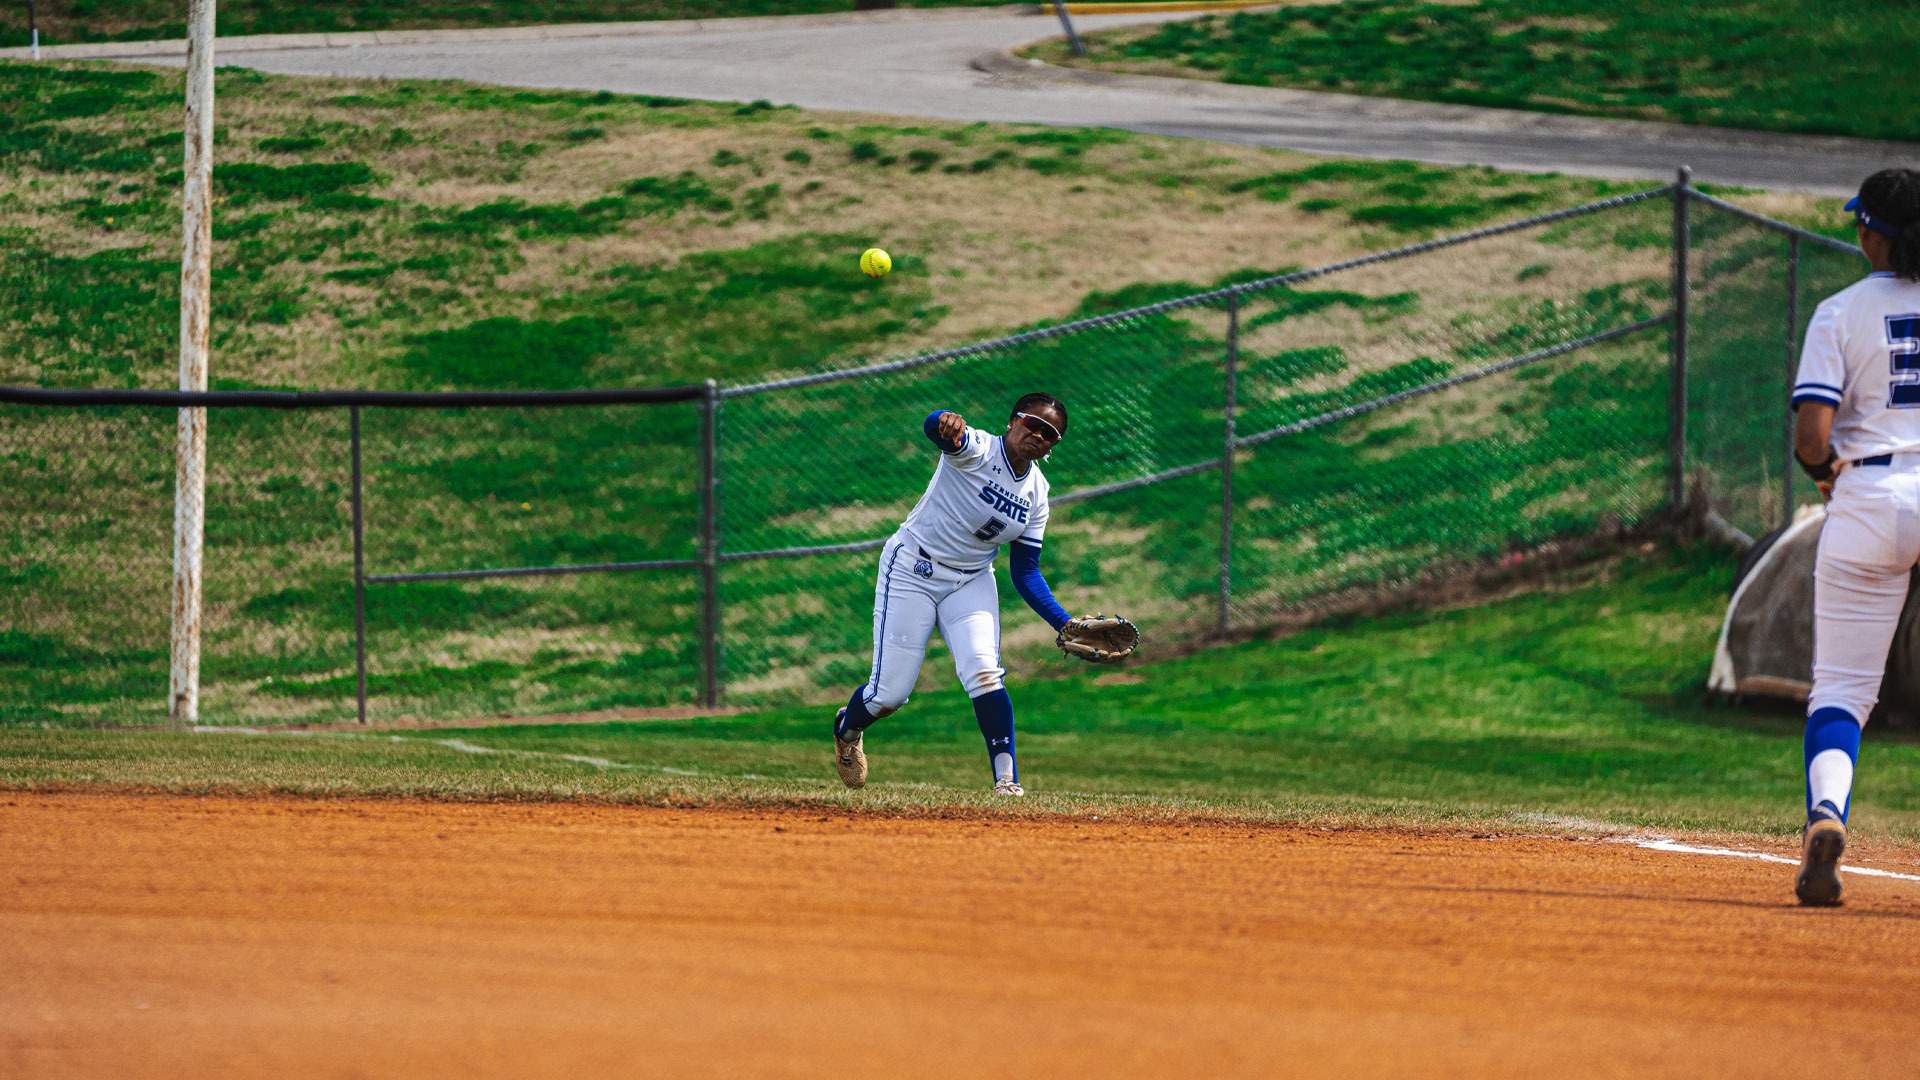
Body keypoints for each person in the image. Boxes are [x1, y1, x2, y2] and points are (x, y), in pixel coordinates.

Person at [831, 393, 1078, 797]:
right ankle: (848, 728)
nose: (1038, 434)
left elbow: (1026, 571)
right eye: (1032, 423)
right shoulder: (979, 449)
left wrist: (1062, 622)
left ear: (1053, 446)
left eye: (1049, 433)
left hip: (971, 579)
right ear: (1013, 421)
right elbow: (938, 430)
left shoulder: (1037, 493)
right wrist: (942, 422)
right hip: (914, 566)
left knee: (985, 673)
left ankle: (1006, 781)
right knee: (889, 694)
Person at [1788, 167, 1920, 906]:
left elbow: (1815, 432)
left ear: (1872, 233)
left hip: (1870, 492)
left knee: (1842, 689)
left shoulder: (1840, 311)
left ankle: (1828, 814)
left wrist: (1820, 471)